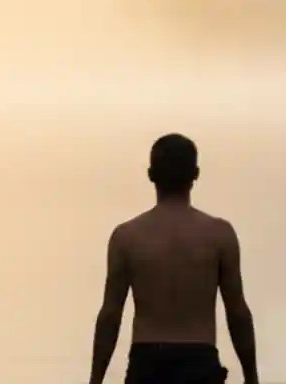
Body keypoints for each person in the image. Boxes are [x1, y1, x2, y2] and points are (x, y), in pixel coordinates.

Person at [88, 133, 259, 384]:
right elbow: (237, 312)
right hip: (199, 360)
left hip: (147, 363)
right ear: (196, 174)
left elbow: (111, 315)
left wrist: (95, 379)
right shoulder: (219, 234)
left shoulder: (127, 236)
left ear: (150, 174)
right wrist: (252, 377)